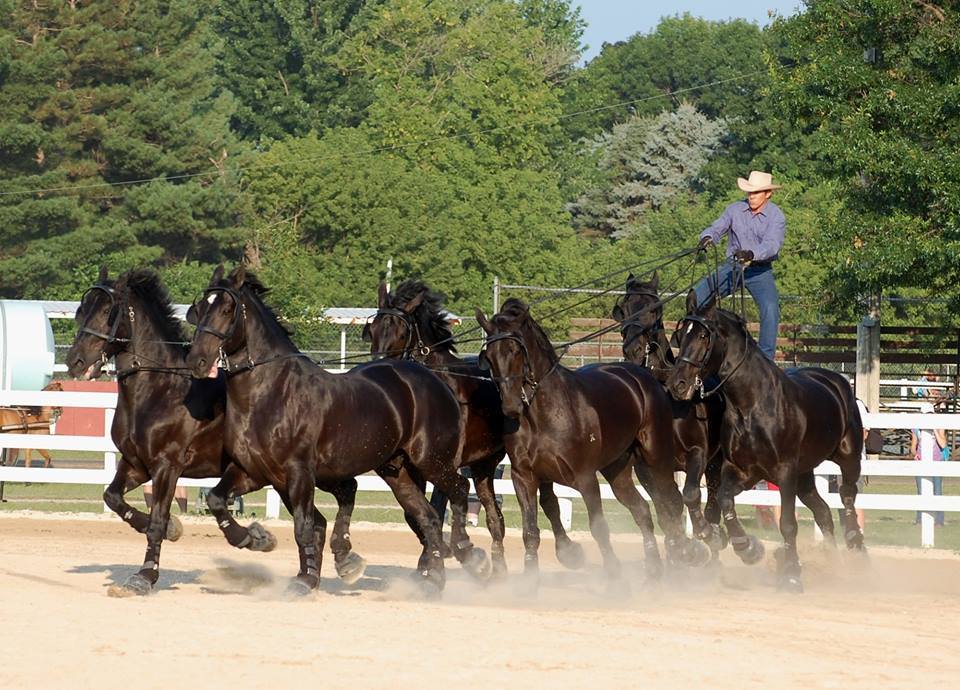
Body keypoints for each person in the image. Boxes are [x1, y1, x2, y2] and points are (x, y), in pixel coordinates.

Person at [695, 170, 786, 360]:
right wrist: (707, 237)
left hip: (759, 271)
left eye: (755, 193)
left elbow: (772, 245)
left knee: (770, 308)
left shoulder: (776, 216)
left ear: (768, 194)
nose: (751, 196)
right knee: (699, 293)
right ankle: (701, 344)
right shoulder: (734, 210)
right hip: (733, 267)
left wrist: (752, 254)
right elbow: (718, 226)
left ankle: (765, 359)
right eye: (749, 192)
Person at [910, 402, 947, 526]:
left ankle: (939, 520)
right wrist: (915, 454)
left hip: (937, 461)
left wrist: (935, 430)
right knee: (921, 491)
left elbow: (943, 444)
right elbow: (913, 447)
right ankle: (920, 519)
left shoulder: (939, 425)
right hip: (921, 462)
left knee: (937, 491)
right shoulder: (916, 428)